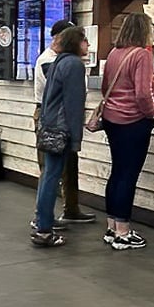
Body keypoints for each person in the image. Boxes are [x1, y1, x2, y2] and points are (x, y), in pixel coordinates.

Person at [101, 12, 154, 250]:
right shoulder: (142, 55)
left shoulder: (114, 53)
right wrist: (151, 114)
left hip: (111, 120)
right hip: (133, 121)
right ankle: (124, 233)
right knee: (128, 175)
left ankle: (112, 227)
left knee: (117, 172)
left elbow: (105, 87)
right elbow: (143, 94)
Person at [33, 19, 95, 226]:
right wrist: (75, 136)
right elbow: (71, 102)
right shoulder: (56, 62)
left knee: (62, 170)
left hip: (53, 120)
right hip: (58, 122)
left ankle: (65, 211)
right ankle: (42, 221)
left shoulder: (60, 60)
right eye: (83, 39)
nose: (88, 44)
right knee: (50, 172)